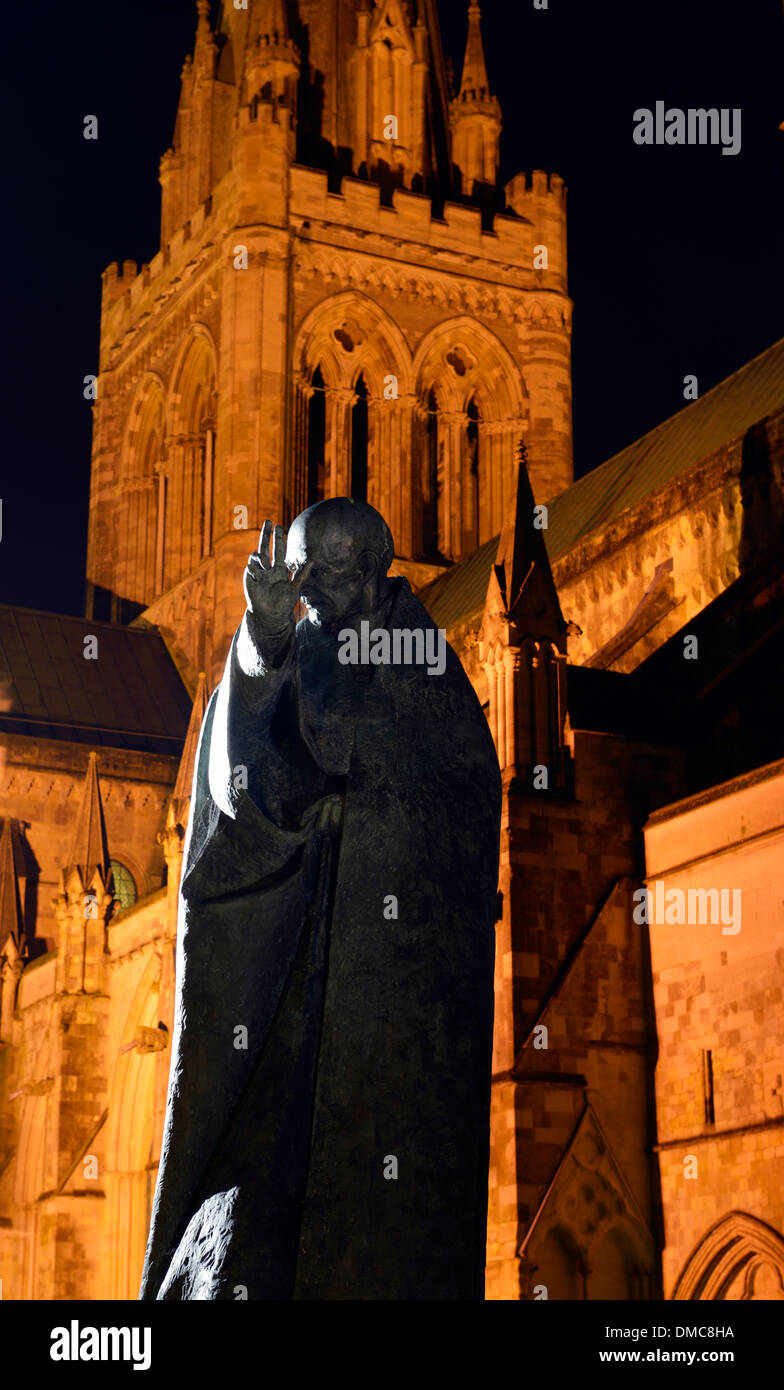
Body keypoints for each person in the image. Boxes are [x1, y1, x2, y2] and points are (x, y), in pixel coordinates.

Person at [139, 498, 501, 1301]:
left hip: (389, 1026)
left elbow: (468, 804)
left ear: (377, 569)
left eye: (328, 571)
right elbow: (234, 791)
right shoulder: (291, 644)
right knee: (244, 1238)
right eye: (300, 572)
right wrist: (263, 644)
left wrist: (368, 812)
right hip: (287, 1001)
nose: (309, 590)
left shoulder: (426, 663)